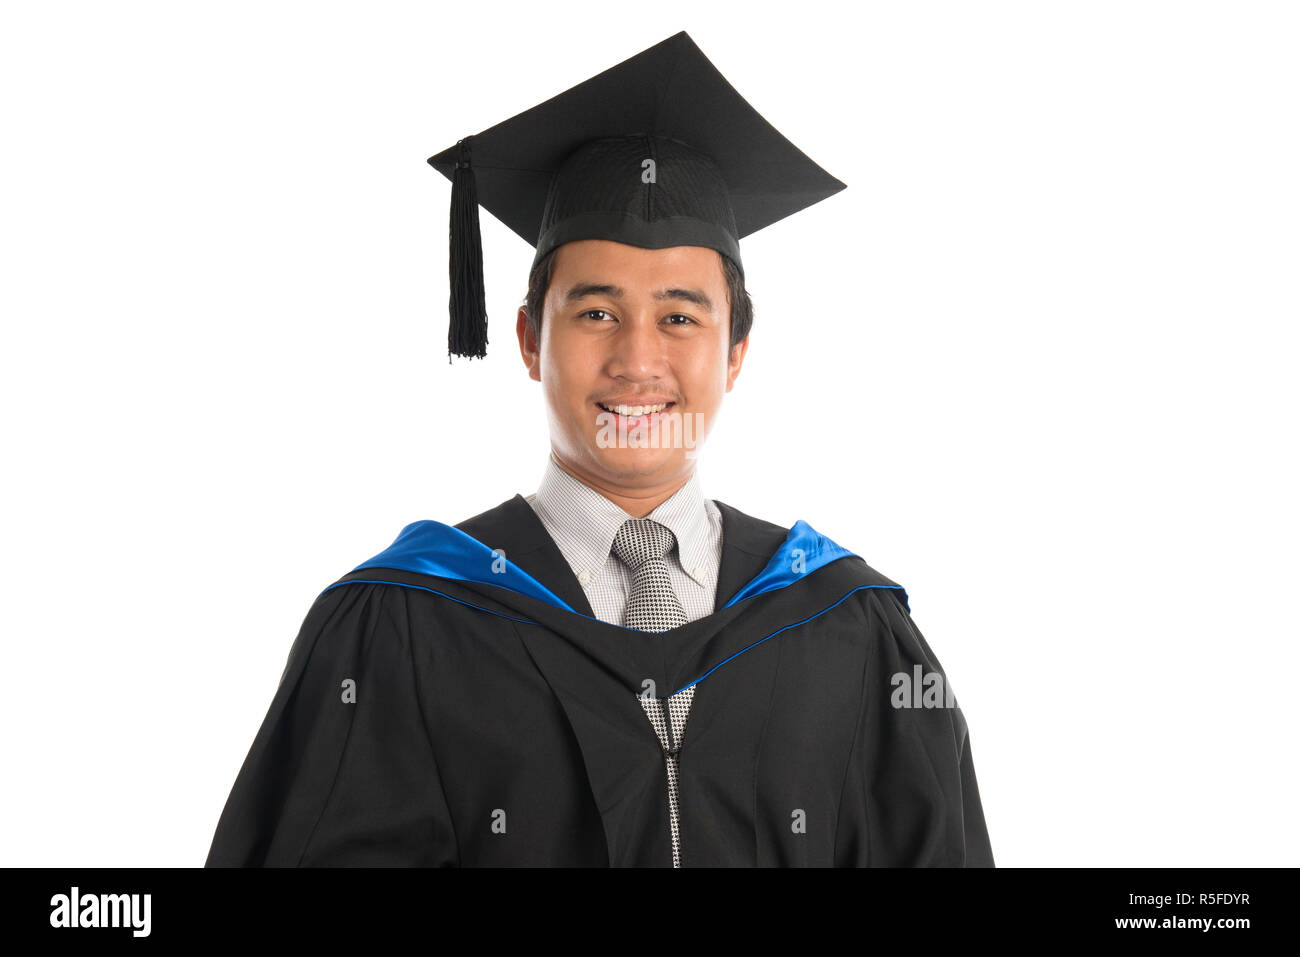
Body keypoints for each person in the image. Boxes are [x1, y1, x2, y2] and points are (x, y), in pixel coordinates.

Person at [204, 31, 994, 868]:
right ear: (528, 339)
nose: (638, 360)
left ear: (736, 354)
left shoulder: (850, 625)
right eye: (596, 313)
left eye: (681, 318)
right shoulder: (401, 624)